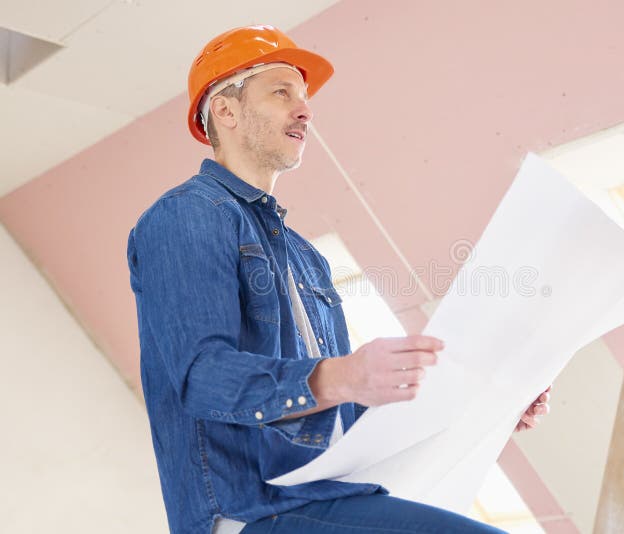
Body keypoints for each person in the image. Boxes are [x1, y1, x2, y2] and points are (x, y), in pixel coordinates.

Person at [127, 25, 550, 534]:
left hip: (324, 498)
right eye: (282, 92)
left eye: (304, 97)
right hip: (250, 513)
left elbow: (342, 416)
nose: (305, 110)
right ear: (226, 111)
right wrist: (345, 375)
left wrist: (492, 409)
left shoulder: (305, 257)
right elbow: (202, 378)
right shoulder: (186, 217)